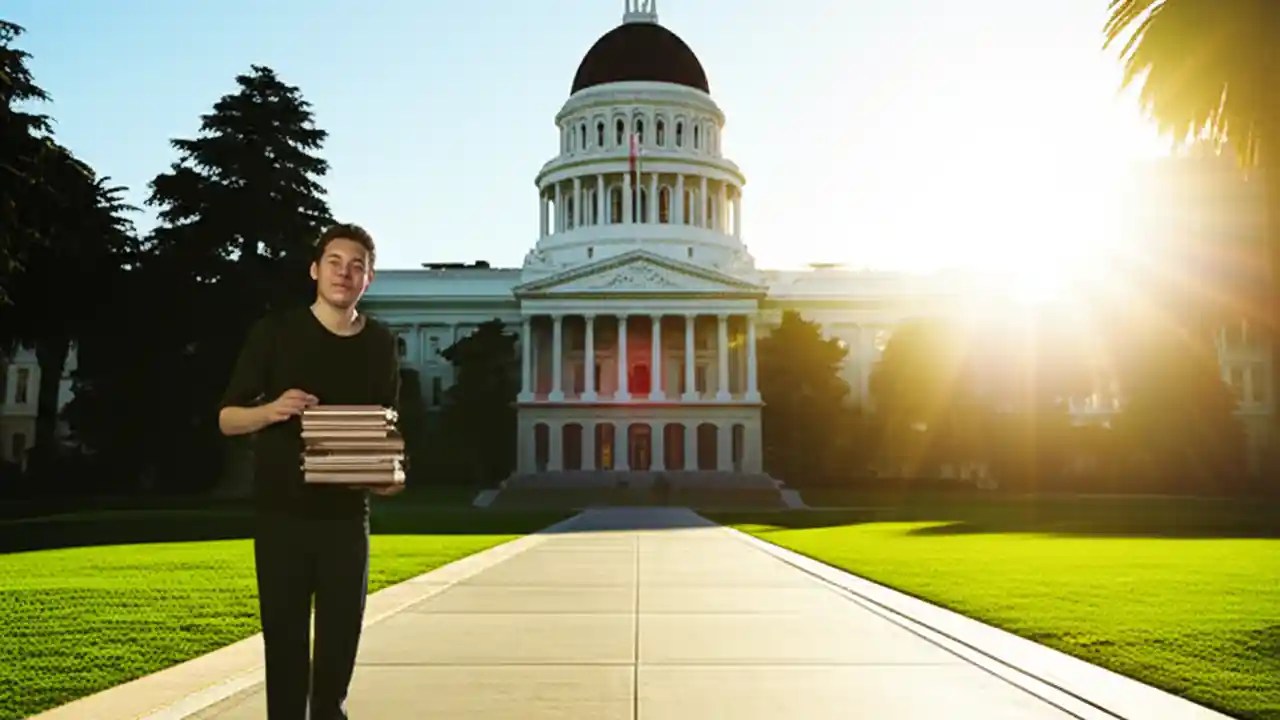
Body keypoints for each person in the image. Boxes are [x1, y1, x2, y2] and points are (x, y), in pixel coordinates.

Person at [217, 222, 403, 719]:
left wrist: (388, 476)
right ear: (315, 269)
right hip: (282, 518)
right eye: (336, 262)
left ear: (370, 279)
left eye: (357, 266)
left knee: (337, 662)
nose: (345, 273)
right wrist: (272, 410)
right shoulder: (275, 333)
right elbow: (227, 419)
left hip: (346, 522)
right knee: (285, 658)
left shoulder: (381, 345)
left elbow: (386, 440)